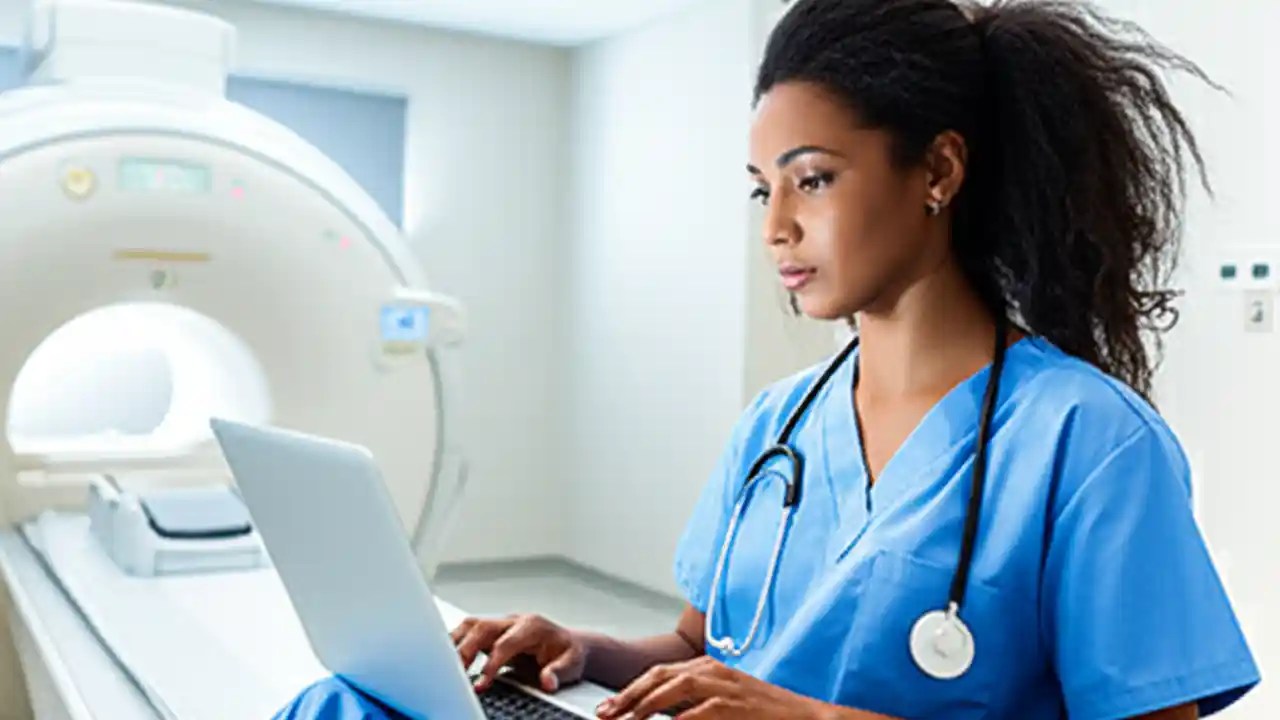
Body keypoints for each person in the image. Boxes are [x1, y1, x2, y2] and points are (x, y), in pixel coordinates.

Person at [278, 0, 1260, 718]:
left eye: (813, 181)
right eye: (761, 192)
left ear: (938, 171)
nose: (777, 227)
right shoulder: (780, 419)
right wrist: (581, 649)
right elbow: (707, 651)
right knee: (351, 703)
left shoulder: (1087, 444)